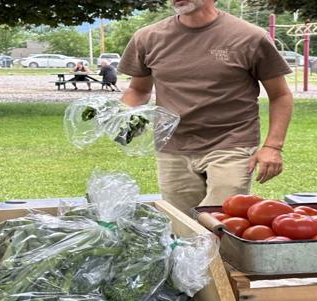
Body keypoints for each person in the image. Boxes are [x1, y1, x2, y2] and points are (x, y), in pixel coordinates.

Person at [118, 0, 294, 217]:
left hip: (231, 142)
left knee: (221, 220)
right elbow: (138, 90)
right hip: (173, 146)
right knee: (183, 227)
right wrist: (121, 116)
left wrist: (273, 147)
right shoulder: (147, 37)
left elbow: (280, 95)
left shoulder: (250, 36)